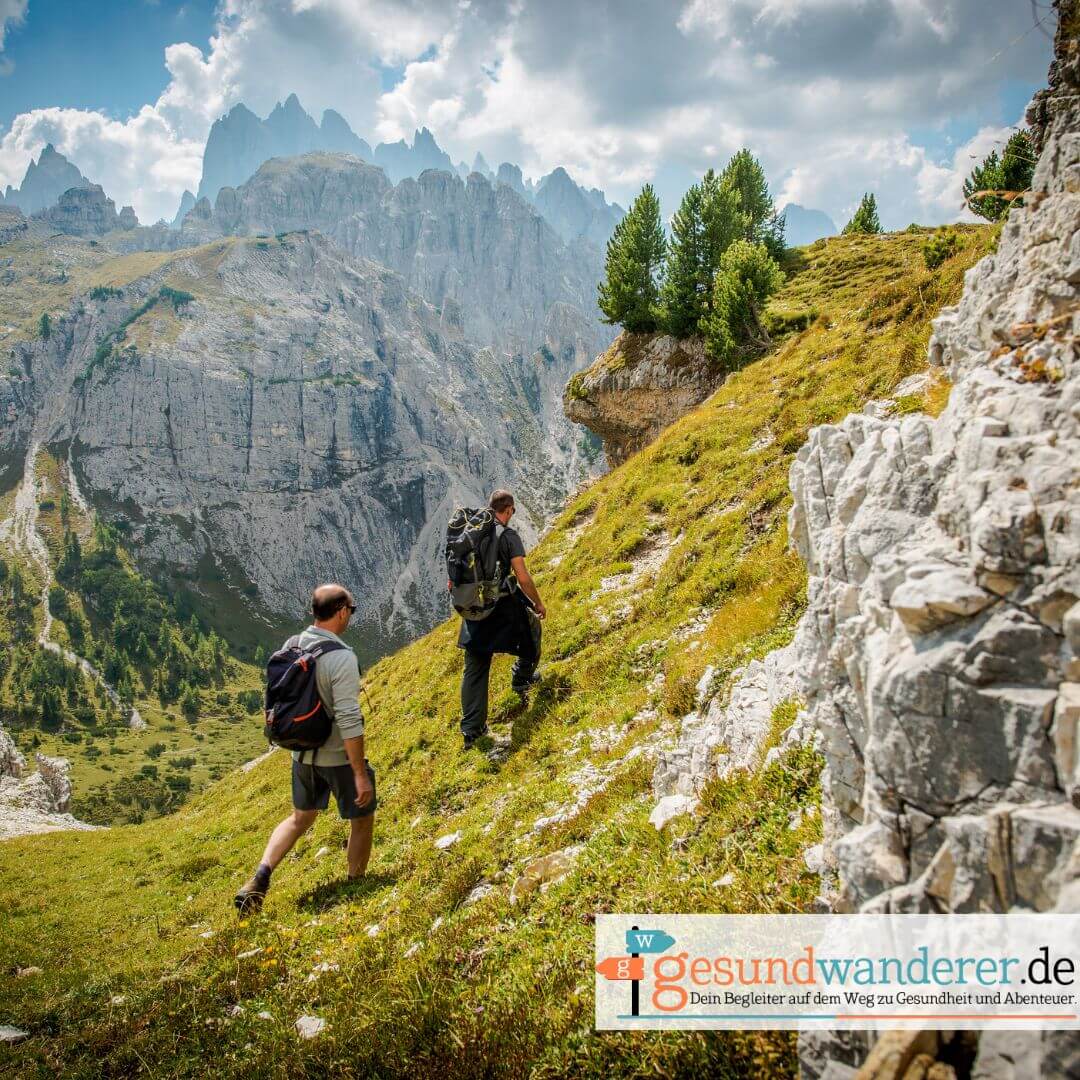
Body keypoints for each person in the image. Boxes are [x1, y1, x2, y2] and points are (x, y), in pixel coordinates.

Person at [235, 584, 376, 913]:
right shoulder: (342, 658)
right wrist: (359, 773)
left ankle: (259, 878)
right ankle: (355, 883)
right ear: (341, 612)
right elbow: (349, 720)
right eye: (351, 610)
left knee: (300, 818)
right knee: (362, 817)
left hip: (301, 754)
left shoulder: (292, 644)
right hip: (337, 757)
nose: (351, 616)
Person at [456, 489, 547, 749]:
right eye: (513, 511)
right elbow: (523, 577)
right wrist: (538, 603)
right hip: (503, 606)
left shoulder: (470, 533)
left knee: (475, 666)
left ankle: (472, 732)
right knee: (532, 632)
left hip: (474, 607)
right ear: (507, 510)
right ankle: (522, 679)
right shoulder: (508, 536)